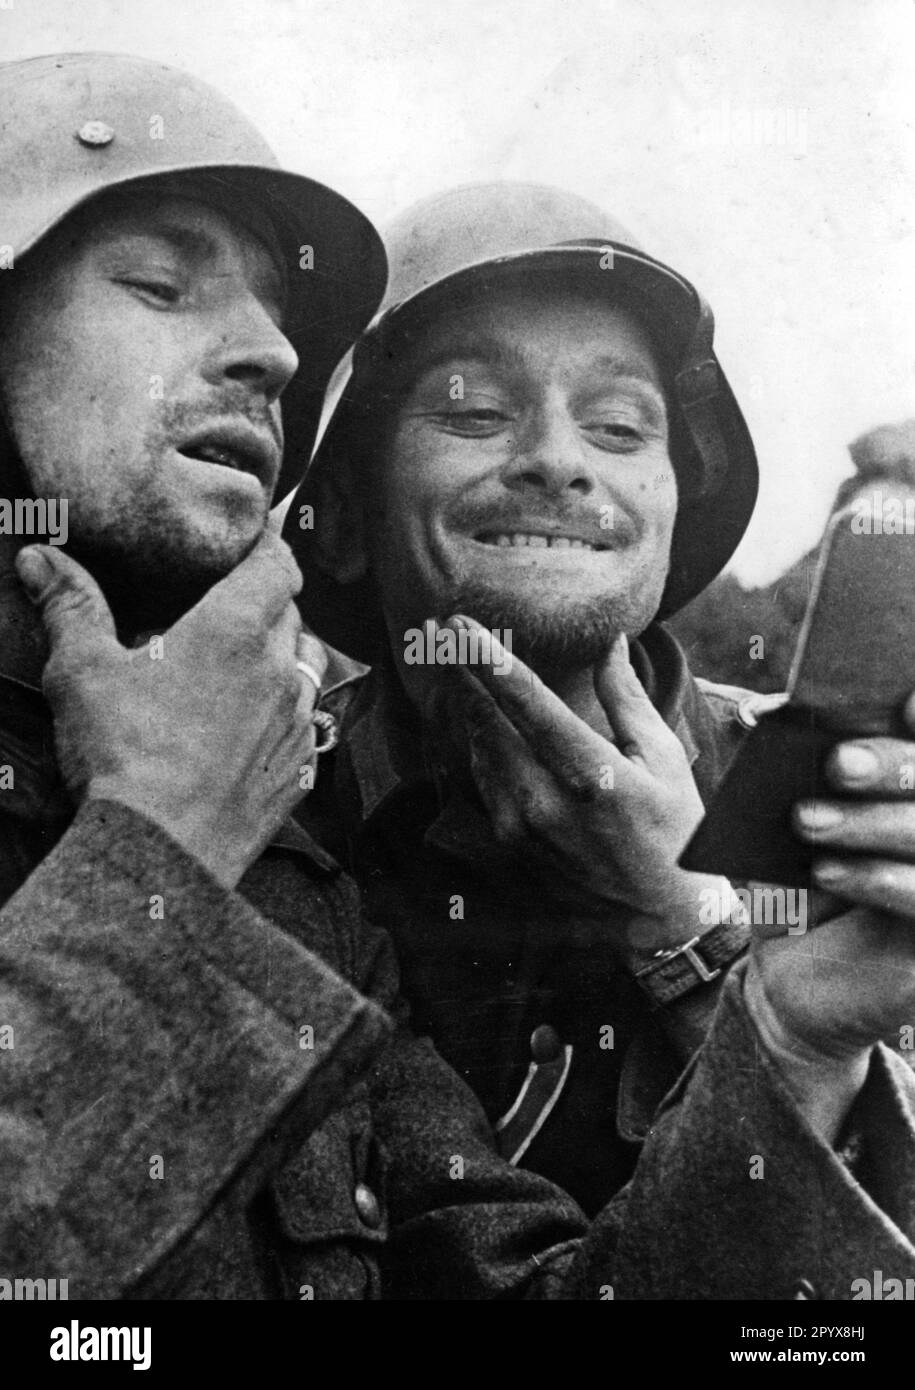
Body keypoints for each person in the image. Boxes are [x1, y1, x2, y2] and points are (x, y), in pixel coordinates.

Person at [0, 53, 596, 1301]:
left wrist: (782, 1032)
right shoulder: (218, 797)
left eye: (278, 314)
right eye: (162, 284)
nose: (272, 351)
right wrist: (158, 843)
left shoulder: (291, 846)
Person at [286, 182, 915, 1296]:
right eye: (475, 413)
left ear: (672, 517)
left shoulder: (838, 801)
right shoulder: (273, 822)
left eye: (621, 427)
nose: (560, 463)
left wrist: (693, 923)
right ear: (341, 517)